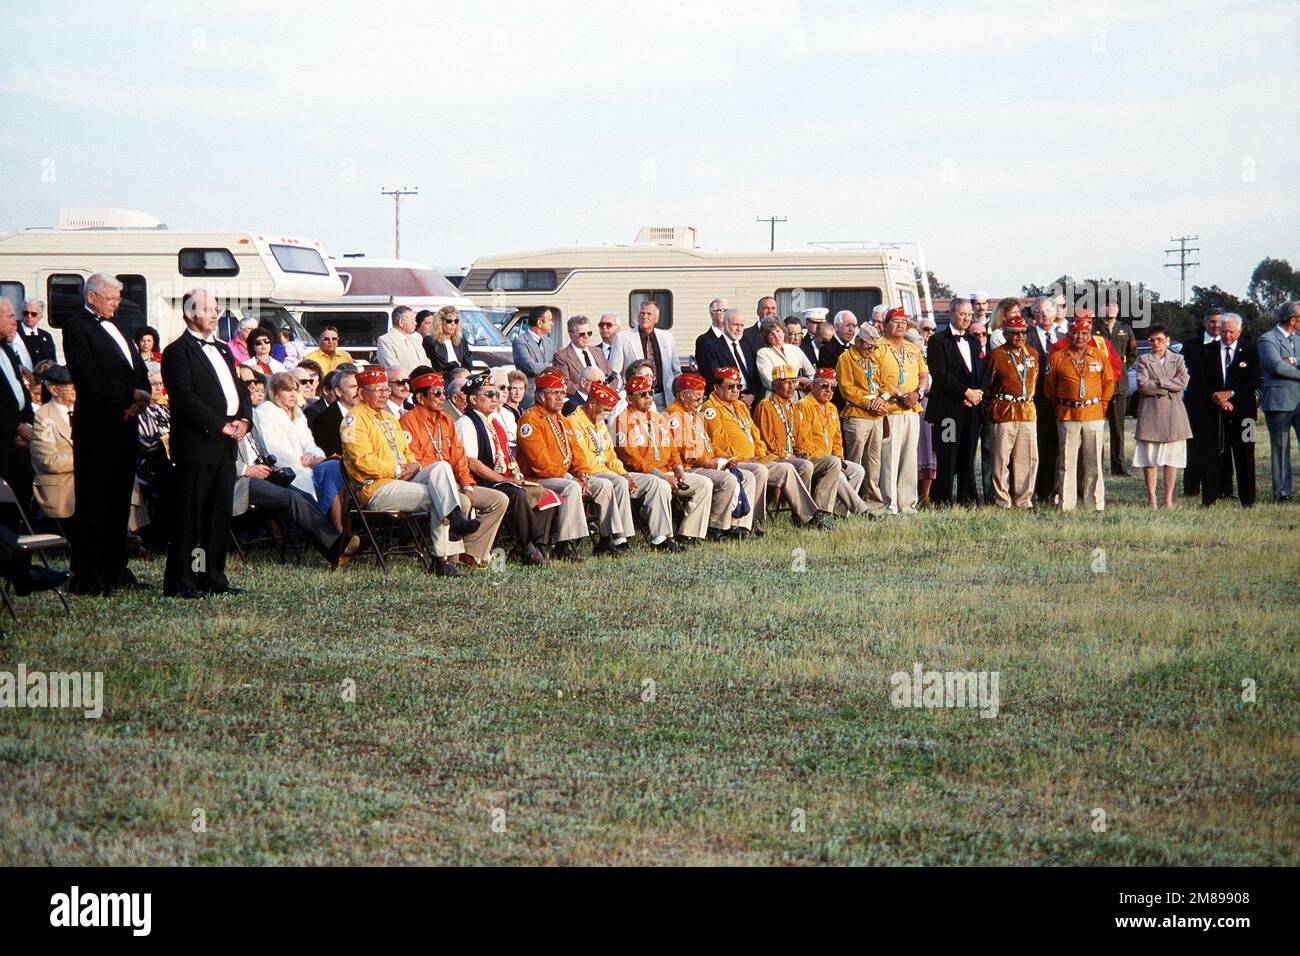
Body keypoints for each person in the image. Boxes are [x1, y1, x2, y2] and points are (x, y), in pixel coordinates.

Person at [60, 274, 151, 595]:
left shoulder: (121, 324)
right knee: (94, 502)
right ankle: (88, 574)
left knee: (118, 501)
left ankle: (116, 567)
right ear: (92, 297)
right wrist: (130, 396)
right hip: (98, 427)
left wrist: (141, 395)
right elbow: (88, 378)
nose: (116, 304)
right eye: (111, 298)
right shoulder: (76, 327)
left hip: (127, 425)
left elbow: (138, 366)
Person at [341, 366, 479, 577]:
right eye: (376, 390)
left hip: (403, 479)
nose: (383, 394)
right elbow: (362, 461)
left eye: (385, 390)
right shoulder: (352, 420)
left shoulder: (388, 419)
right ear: (361, 393)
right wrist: (397, 470)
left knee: (441, 467)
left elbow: (407, 451)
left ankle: (455, 519)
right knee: (440, 497)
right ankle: (441, 560)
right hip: (375, 488)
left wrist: (414, 464)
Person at [160, 289, 252, 598]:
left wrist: (244, 420)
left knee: (217, 515)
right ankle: (182, 581)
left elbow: (239, 390)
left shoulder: (225, 350)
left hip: (226, 446)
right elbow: (186, 398)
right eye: (208, 309)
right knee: (191, 516)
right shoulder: (177, 352)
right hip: (198, 445)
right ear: (189, 314)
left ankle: (212, 576)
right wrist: (221, 425)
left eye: (216, 308)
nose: (215, 313)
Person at [401, 371, 508, 569]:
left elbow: (459, 458)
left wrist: (467, 484)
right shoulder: (409, 421)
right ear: (420, 398)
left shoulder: (446, 420)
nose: (443, 398)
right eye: (437, 393)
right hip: (424, 481)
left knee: (499, 500)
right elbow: (413, 460)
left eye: (443, 393)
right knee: (461, 499)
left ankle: (472, 553)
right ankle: (451, 560)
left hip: (453, 482)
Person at [701, 366, 824, 528]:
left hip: (755, 459)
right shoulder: (711, 409)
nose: (736, 390)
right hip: (735, 462)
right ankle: (752, 521)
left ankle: (808, 517)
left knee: (786, 469)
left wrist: (759, 454)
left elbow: (756, 435)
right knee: (760, 470)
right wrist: (744, 459)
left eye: (738, 386)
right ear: (716, 387)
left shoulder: (740, 406)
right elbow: (717, 442)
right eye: (730, 386)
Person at [578, 380, 690, 552]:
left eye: (650, 392)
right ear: (629, 399)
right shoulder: (618, 421)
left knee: (656, 483)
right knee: (651, 481)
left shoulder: (657, 418)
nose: (648, 397)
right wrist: (628, 474)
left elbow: (612, 458)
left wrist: (678, 468)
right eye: (642, 394)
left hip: (619, 472)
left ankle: (660, 539)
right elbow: (630, 458)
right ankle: (620, 539)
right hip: (596, 474)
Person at [454, 372, 552, 566]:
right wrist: (504, 479)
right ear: (473, 399)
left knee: (543, 493)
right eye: (489, 395)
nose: (495, 399)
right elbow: (472, 463)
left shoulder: (493, 421)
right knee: (516, 494)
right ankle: (529, 549)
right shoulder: (466, 423)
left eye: (496, 395)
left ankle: (531, 545)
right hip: (479, 481)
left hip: (499, 477)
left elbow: (505, 455)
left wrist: (513, 474)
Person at [515, 370, 612, 561]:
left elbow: (578, 455)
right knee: (571, 487)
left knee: (603, 485)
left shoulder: (563, 421)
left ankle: (608, 539)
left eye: (562, 392)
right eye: (554, 393)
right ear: (539, 396)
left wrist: (583, 474)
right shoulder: (530, 420)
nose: (560, 397)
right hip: (537, 478)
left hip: (562, 477)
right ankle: (563, 545)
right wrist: (570, 477)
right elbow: (539, 462)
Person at [664, 373, 754, 540]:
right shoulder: (674, 414)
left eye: (702, 398)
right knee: (727, 480)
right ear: (683, 395)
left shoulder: (693, 413)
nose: (700, 402)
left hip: (704, 463)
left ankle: (738, 526)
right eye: (697, 398)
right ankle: (715, 527)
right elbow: (686, 451)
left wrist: (725, 457)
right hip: (690, 467)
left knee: (747, 475)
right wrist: (711, 463)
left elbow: (708, 444)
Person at [255, 371, 346, 532]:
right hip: (285, 470)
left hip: (307, 464)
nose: (293, 394)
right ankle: (333, 530)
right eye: (287, 390)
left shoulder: (298, 415)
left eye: (295, 390)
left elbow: (309, 442)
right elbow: (273, 451)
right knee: (328, 471)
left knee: (335, 467)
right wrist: (301, 460)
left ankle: (338, 528)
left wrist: (313, 455)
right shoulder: (265, 413)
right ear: (275, 393)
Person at [1043, 314, 1115, 512]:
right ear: (1069, 335)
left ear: (1089, 334)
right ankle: (1066, 503)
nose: (1080, 337)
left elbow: (1109, 382)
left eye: (1084, 333)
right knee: (1066, 461)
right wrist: (1061, 406)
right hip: (1067, 414)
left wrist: (1103, 405)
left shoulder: (1098, 355)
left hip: (1094, 413)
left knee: (1093, 461)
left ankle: (1095, 503)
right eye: (1076, 334)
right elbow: (1049, 387)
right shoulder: (1058, 357)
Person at [1188, 313, 1258, 508]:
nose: (1227, 336)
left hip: (1246, 414)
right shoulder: (1206, 351)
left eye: (1232, 332)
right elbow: (1201, 380)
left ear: (1240, 331)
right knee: (1211, 454)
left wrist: (1231, 394)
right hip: (1213, 412)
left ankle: (1248, 500)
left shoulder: (1251, 350)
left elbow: (1255, 380)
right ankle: (1209, 498)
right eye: (1224, 331)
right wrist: (1219, 398)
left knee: (1246, 454)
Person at [926, 297, 985, 506]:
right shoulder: (938, 341)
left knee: (968, 455)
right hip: (947, 412)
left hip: (971, 411)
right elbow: (941, 374)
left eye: (969, 314)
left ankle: (967, 498)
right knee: (947, 454)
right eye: (962, 314)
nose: (967, 318)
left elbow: (981, 372)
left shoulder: (973, 341)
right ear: (951, 313)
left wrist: (977, 394)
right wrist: (965, 392)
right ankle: (941, 499)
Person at [871, 307, 929, 515]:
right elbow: (877, 379)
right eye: (895, 321)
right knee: (890, 458)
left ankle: (908, 504)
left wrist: (918, 393)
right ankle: (889, 503)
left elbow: (924, 374)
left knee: (908, 458)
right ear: (885, 325)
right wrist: (899, 394)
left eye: (904, 322)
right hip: (891, 410)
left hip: (911, 410)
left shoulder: (912, 348)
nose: (900, 326)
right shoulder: (877, 348)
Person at [980, 312, 1039, 509]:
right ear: (1005, 334)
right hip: (1003, 411)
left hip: (1027, 411)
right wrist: (990, 409)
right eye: (1015, 333)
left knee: (1028, 458)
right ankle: (1002, 500)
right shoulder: (996, 355)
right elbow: (986, 385)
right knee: (1000, 459)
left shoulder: (1032, 353)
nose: (1020, 336)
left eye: (1023, 332)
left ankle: (1024, 500)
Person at [1131, 324, 1193, 509]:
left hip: (1174, 414)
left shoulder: (1178, 358)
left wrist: (1159, 382)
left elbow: (1183, 382)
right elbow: (1143, 385)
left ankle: (1168, 499)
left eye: (1159, 339)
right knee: (1150, 458)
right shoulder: (1143, 359)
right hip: (1151, 412)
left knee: (1171, 459)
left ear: (1167, 340)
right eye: (1152, 340)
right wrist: (1168, 384)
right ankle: (1152, 498)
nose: (1156, 343)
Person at [795, 367, 867, 515]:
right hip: (811, 460)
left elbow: (837, 439)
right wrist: (831, 460)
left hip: (832, 460)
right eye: (824, 386)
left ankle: (839, 514)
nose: (829, 390)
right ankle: (861, 510)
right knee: (836, 470)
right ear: (813, 386)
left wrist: (839, 456)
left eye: (832, 387)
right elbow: (803, 441)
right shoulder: (803, 405)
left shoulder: (832, 408)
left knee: (857, 470)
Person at [836, 322, 888, 517]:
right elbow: (846, 389)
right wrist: (868, 403)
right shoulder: (846, 359)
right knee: (854, 462)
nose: (872, 350)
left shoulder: (875, 359)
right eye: (869, 346)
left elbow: (885, 385)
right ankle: (847, 507)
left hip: (877, 416)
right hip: (857, 416)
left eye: (875, 347)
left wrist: (881, 400)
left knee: (874, 462)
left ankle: (873, 504)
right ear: (858, 341)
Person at [754, 364, 821, 512]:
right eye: (786, 382)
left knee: (825, 461)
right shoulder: (765, 406)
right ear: (774, 385)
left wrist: (802, 452)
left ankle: (819, 509)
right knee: (805, 466)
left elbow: (801, 438)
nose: (791, 387)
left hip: (794, 456)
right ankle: (802, 512)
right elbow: (768, 442)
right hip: (776, 457)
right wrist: (790, 455)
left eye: (794, 382)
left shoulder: (794, 407)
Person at [1182, 308, 1230, 499]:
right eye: (1212, 321)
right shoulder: (1191, 345)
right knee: (1195, 448)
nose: (1216, 325)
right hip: (1198, 404)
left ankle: (1224, 488)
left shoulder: (1229, 344)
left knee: (1223, 447)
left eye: (1219, 321)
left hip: (1224, 404)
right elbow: (1189, 374)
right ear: (1204, 323)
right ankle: (1192, 488)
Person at [1258, 301, 1300, 502]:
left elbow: (1286, 366)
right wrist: (1289, 364)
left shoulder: (1298, 339)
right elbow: (1277, 367)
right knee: (1281, 447)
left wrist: (1291, 362)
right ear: (1293, 320)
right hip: (1279, 402)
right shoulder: (1267, 340)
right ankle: (1282, 493)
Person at [0, 300, 35, 523]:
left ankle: (18, 557)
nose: (16, 322)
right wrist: (16, 426)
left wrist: (28, 424)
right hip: (3, 441)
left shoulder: (8, 350)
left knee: (20, 503)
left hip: (18, 445)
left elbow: (23, 393)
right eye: (10, 316)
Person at [608, 301, 680, 410]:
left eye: (649, 314)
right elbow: (614, 372)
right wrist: (623, 394)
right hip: (636, 399)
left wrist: (676, 394)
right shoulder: (623, 338)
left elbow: (676, 371)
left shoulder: (667, 338)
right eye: (642, 313)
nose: (644, 316)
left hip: (665, 399)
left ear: (657, 318)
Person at [1094, 298, 1138, 476]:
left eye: (1113, 306)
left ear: (1118, 309)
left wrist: (1121, 369)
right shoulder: (1092, 328)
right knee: (1096, 428)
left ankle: (1118, 467)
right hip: (1097, 384)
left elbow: (1132, 354)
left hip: (1119, 385)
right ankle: (1096, 466)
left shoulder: (1125, 329)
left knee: (1118, 428)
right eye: (1106, 305)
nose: (1110, 309)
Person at [133, 367, 173, 552]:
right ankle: (160, 540)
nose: (158, 388)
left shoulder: (165, 410)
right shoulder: (138, 412)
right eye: (153, 384)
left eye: (160, 384)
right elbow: (144, 444)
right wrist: (169, 439)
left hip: (170, 464)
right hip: (147, 467)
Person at [31, 364, 75, 521]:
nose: (76, 389)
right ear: (54, 390)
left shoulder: (87, 412)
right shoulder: (43, 417)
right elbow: (49, 461)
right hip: (62, 491)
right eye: (71, 386)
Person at [1028, 296, 1060, 503]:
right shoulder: (1027, 337)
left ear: (1056, 313)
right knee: (1037, 446)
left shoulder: (1065, 337)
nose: (1044, 315)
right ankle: (1038, 489)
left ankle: (1055, 490)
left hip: (1059, 403)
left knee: (1057, 447)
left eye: (1048, 310)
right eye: (1039, 311)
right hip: (1036, 401)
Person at [697, 308, 758, 403]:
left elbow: (755, 374)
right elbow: (713, 378)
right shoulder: (711, 347)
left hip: (750, 401)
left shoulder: (746, 347)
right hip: (725, 402)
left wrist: (752, 395)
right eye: (735, 325)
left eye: (741, 325)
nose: (739, 329)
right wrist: (736, 397)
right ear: (724, 324)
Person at [553, 315, 612, 395]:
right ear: (571, 335)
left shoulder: (598, 351)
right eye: (582, 334)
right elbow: (565, 382)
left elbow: (612, 375)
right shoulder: (562, 356)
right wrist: (587, 392)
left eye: (589, 333)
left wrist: (607, 389)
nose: (586, 337)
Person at [754, 319, 814, 398]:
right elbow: (770, 381)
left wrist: (811, 384)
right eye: (771, 334)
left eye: (778, 331)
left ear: (783, 331)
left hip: (798, 398)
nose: (776, 335)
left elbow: (812, 373)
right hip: (775, 397)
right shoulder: (763, 353)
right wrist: (799, 383)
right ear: (766, 337)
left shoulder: (795, 349)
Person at [309, 368, 357, 459]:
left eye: (360, 386)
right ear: (338, 391)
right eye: (353, 387)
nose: (358, 391)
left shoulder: (367, 414)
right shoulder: (323, 420)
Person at [423, 305, 473, 374]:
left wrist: (460, 368)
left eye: (456, 321)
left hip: (461, 377)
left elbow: (468, 362)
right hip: (442, 379)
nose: (453, 324)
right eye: (449, 321)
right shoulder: (430, 340)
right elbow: (439, 365)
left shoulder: (460, 340)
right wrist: (457, 365)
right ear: (440, 322)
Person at [376, 306, 425, 371]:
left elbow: (426, 362)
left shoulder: (416, 340)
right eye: (412, 320)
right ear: (401, 322)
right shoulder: (385, 340)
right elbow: (392, 368)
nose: (415, 323)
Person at [19, 300, 58, 367]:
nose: (29, 316)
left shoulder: (46, 336)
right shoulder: (15, 334)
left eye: (33, 314)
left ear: (41, 316)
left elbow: (53, 361)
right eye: (26, 313)